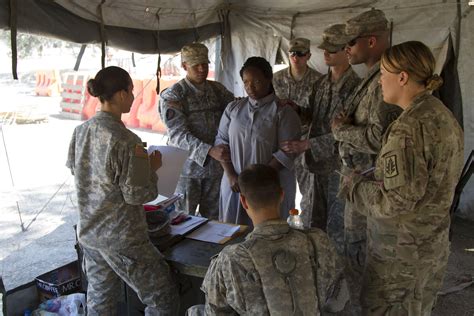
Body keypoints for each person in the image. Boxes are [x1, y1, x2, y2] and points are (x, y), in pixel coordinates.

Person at [343, 41, 464, 315]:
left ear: (402, 77)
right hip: (429, 246)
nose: (380, 81)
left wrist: (354, 187)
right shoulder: (441, 115)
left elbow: (396, 203)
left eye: (384, 73)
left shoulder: (408, 129)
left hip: (400, 256)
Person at [66, 66, 178, 315]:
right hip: (122, 238)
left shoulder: (80, 132)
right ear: (118, 94)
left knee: (101, 300)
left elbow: (79, 173)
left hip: (90, 234)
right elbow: (137, 195)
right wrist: (152, 169)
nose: (133, 97)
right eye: (130, 91)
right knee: (163, 298)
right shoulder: (127, 141)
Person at [187, 164, 348, 315]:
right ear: (282, 195)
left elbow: (215, 311)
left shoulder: (230, 259)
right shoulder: (318, 241)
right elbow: (338, 301)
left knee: (194, 310)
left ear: (243, 201)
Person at [330, 9, 402, 312]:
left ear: (371, 41)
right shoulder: (371, 77)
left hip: (370, 184)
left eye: (351, 43)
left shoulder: (382, 81)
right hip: (358, 182)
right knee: (355, 251)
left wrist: (342, 130)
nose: (347, 49)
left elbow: (379, 138)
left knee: (365, 254)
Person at [280, 24, 360, 255]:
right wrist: (296, 109)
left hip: (339, 167)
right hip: (316, 165)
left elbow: (348, 133)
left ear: (347, 50)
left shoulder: (355, 88)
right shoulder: (322, 84)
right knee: (314, 223)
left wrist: (307, 144)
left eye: (332, 50)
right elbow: (312, 117)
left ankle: (334, 276)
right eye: (325, 49)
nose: (326, 54)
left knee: (337, 229)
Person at [215, 57, 301, 226]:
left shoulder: (283, 112)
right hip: (235, 184)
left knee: (270, 234)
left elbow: (288, 151)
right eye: (246, 82)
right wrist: (231, 174)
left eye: (257, 82)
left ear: (269, 80)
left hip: (269, 187)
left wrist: (257, 181)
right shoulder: (233, 109)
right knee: (233, 232)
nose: (250, 87)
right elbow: (221, 143)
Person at [160, 43, 234, 219]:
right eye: (196, 65)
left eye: (205, 64)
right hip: (187, 172)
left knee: (214, 221)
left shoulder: (218, 90)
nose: (201, 69)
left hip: (215, 171)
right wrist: (209, 150)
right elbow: (177, 135)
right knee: (182, 220)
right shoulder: (175, 95)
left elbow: (236, 109)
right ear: (184, 66)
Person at [273, 37, 322, 222]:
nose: (295, 57)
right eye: (292, 53)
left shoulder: (319, 81)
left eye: (300, 53)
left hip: (304, 143)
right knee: (280, 193)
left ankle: (304, 231)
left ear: (308, 55)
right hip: (281, 144)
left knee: (308, 195)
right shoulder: (276, 79)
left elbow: (319, 116)